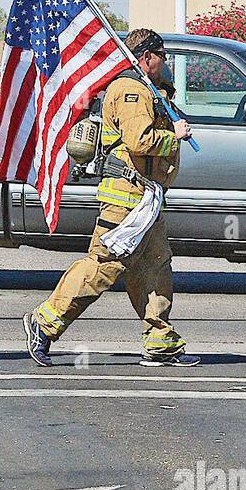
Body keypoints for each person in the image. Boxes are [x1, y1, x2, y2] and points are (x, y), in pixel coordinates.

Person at [23, 29, 200, 368]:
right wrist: (174, 136)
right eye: (161, 55)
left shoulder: (148, 89)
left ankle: (160, 341)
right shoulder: (131, 90)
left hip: (146, 199)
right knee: (104, 265)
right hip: (126, 200)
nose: (165, 62)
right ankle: (43, 323)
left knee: (155, 267)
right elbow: (140, 140)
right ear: (146, 56)